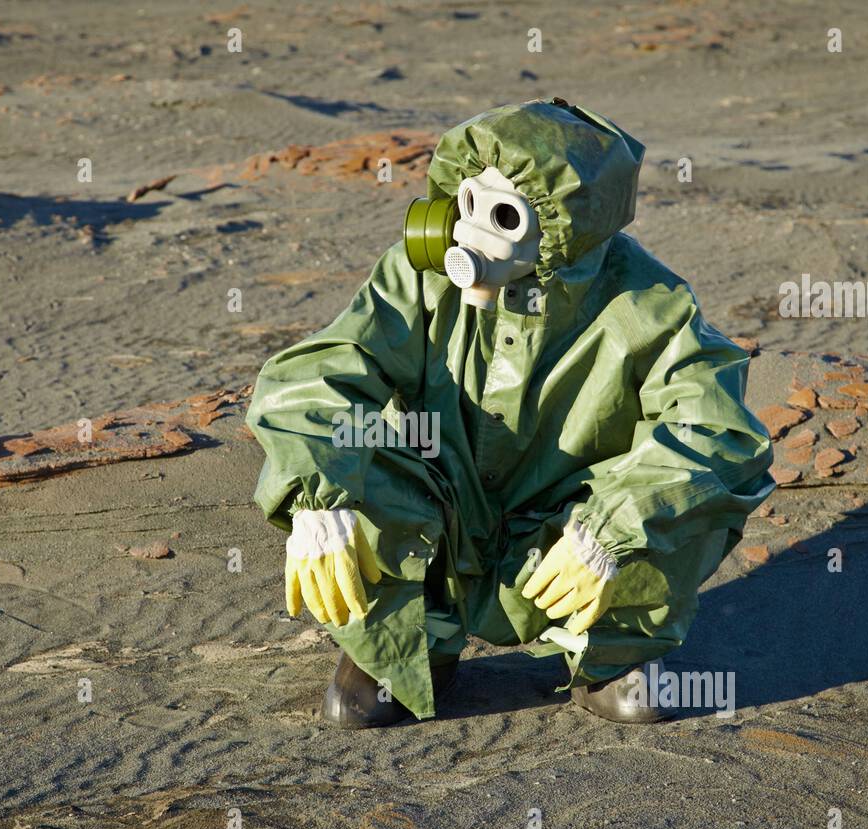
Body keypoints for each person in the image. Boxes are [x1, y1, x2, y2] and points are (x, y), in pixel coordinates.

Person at [246, 99, 774, 728]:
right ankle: (408, 642)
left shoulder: (652, 305)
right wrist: (318, 498)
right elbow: (317, 376)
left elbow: (714, 430)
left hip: (565, 531)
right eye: (468, 205)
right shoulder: (418, 277)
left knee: (692, 490)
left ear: (562, 231)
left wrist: (612, 528)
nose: (471, 235)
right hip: (441, 509)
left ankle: (613, 651)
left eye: (504, 217)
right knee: (351, 458)